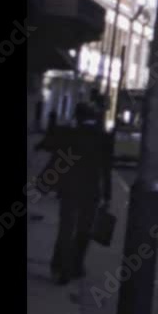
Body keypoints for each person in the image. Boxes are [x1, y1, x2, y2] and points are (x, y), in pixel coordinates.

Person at [49, 96, 113, 285]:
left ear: (77, 116)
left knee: (66, 228)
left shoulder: (69, 135)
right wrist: (107, 195)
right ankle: (76, 266)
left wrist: (52, 185)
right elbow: (106, 168)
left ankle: (59, 266)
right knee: (84, 230)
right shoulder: (102, 138)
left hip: (69, 189)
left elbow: (58, 162)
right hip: (91, 190)